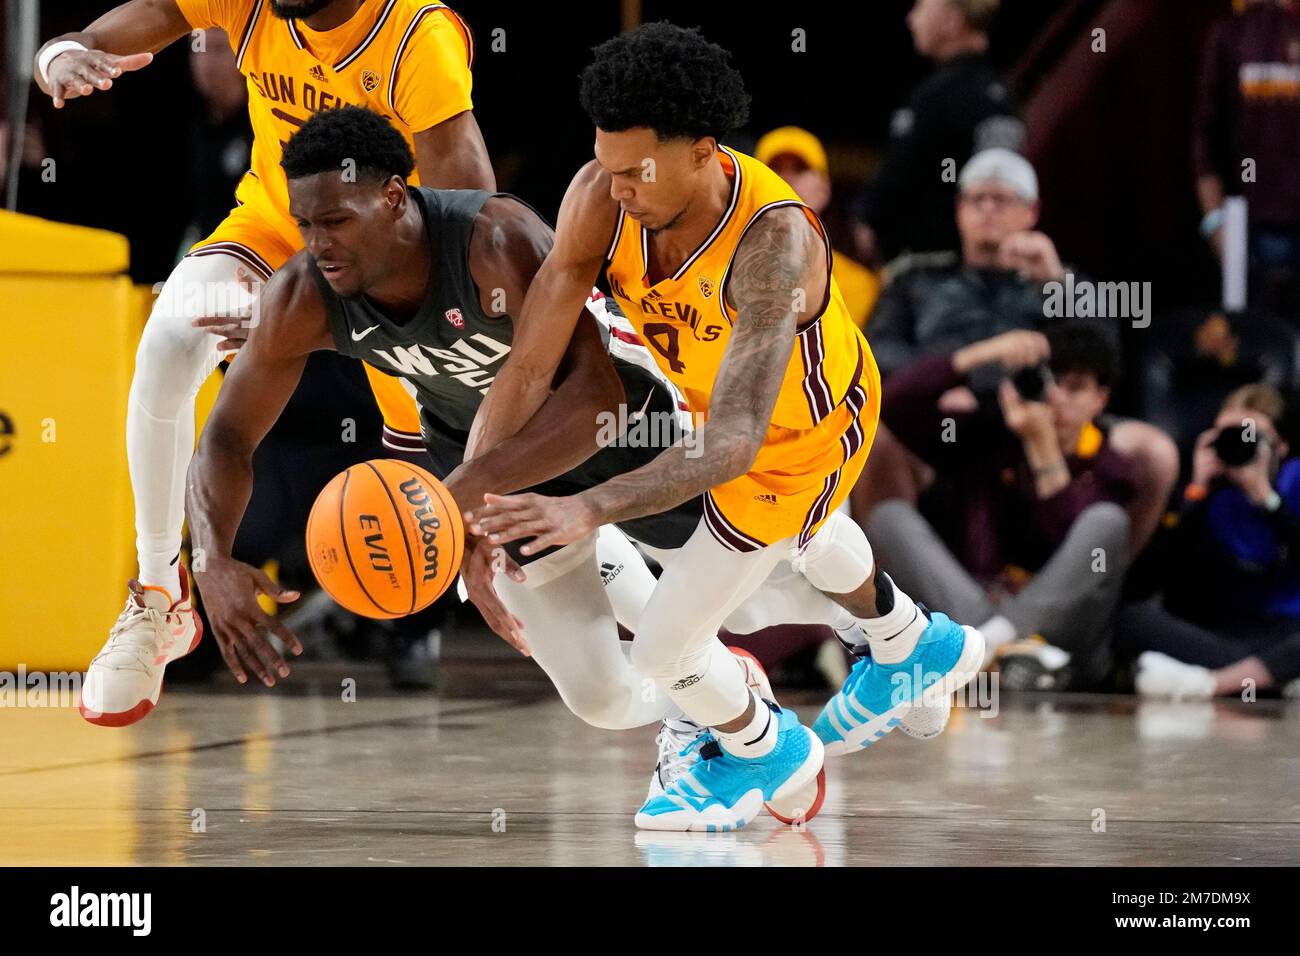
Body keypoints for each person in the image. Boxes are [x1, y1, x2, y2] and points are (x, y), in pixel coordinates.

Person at [186, 106, 938, 828]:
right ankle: (725, 696)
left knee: (741, 605)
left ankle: (877, 636)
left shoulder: (491, 240)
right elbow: (226, 437)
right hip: (489, 480)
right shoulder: (304, 296)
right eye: (305, 225)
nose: (317, 244)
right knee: (601, 697)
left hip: (622, 435)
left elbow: (591, 393)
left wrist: (458, 501)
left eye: (335, 222)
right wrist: (212, 557)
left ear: (392, 198)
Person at [462, 23, 986, 832]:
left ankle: (765, 750)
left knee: (666, 650)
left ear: (704, 149)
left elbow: (740, 444)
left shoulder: (770, 246)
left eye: (637, 167)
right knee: (794, 562)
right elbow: (528, 368)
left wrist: (588, 508)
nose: (618, 184)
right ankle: (911, 643)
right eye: (606, 162)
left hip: (806, 438)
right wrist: (469, 496)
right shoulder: (603, 192)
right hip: (718, 415)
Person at [36, 0, 496, 727]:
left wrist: (323, 306)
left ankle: (690, 670)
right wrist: (67, 47)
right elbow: (158, 9)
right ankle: (160, 598)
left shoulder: (417, 35)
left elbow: (467, 220)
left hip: (400, 273)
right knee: (169, 341)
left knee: (531, 562)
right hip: (280, 232)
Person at [857, 148, 1179, 556]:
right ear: (959, 210)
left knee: (1155, 451)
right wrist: (953, 381)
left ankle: (1098, 587)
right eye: (977, 199)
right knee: (875, 435)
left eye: (1002, 200)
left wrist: (1056, 282)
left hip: (1045, 419)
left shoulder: (1061, 278)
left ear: (1031, 212)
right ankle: (881, 602)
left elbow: (1104, 359)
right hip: (941, 421)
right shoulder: (916, 280)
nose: (988, 209)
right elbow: (877, 353)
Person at [867, 323, 1135, 687]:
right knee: (889, 516)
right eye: (1048, 381)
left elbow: (1055, 542)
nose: (1057, 397)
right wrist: (977, 355)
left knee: (1107, 520)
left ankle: (989, 644)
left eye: (1074, 388)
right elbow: (893, 403)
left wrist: (1042, 446)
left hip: (1063, 643)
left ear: (1100, 400)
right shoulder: (990, 432)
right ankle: (995, 648)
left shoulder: (1111, 468)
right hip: (975, 606)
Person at [1123, 385, 1300, 700]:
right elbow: (1155, 583)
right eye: (1228, 436)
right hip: (1225, 634)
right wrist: (1195, 495)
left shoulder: (1296, 481)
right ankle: (1269, 679)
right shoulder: (1206, 493)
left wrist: (1268, 501)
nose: (1239, 446)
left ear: (1281, 445)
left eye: (1251, 437)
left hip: (1289, 630)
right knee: (1132, 618)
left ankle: (1215, 682)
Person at [852, 0, 1023, 263]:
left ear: (952, 21)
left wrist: (869, 218)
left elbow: (894, 186)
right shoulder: (1004, 97)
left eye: (920, 7)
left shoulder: (935, 99)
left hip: (927, 268)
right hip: (989, 267)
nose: (911, 20)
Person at [1193, 0, 1300, 317]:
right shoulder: (1231, 34)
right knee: (1255, 345)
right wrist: (1214, 221)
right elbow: (1204, 138)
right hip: (1251, 226)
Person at [754, 126, 880, 329]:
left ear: (824, 188)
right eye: (775, 168)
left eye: (799, 169)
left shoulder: (857, 283)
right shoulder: (720, 263)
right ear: (753, 184)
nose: (786, 178)